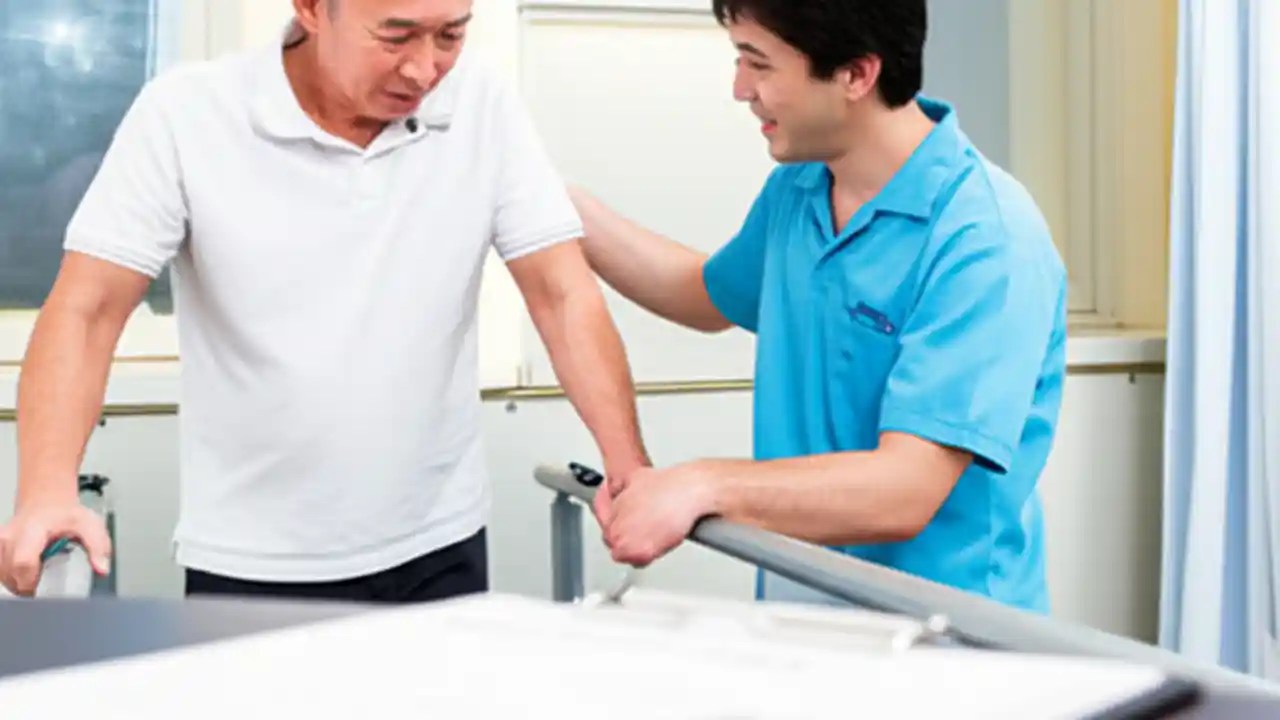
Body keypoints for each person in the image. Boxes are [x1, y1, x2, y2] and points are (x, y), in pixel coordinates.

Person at [0, 0, 650, 603]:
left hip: (439, 543)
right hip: (254, 561)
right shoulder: (187, 113)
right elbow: (86, 314)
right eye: (395, 35)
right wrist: (46, 490)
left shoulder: (483, 104)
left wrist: (629, 470)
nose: (425, 68)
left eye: (451, 33)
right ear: (310, 8)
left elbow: (562, 295)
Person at [578, 0, 1067, 613]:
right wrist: (557, 205)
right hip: (805, 612)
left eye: (758, 64)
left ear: (856, 75)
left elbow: (904, 490)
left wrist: (701, 483)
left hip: (950, 641)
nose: (739, 89)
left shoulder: (985, 237)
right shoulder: (802, 187)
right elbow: (702, 293)